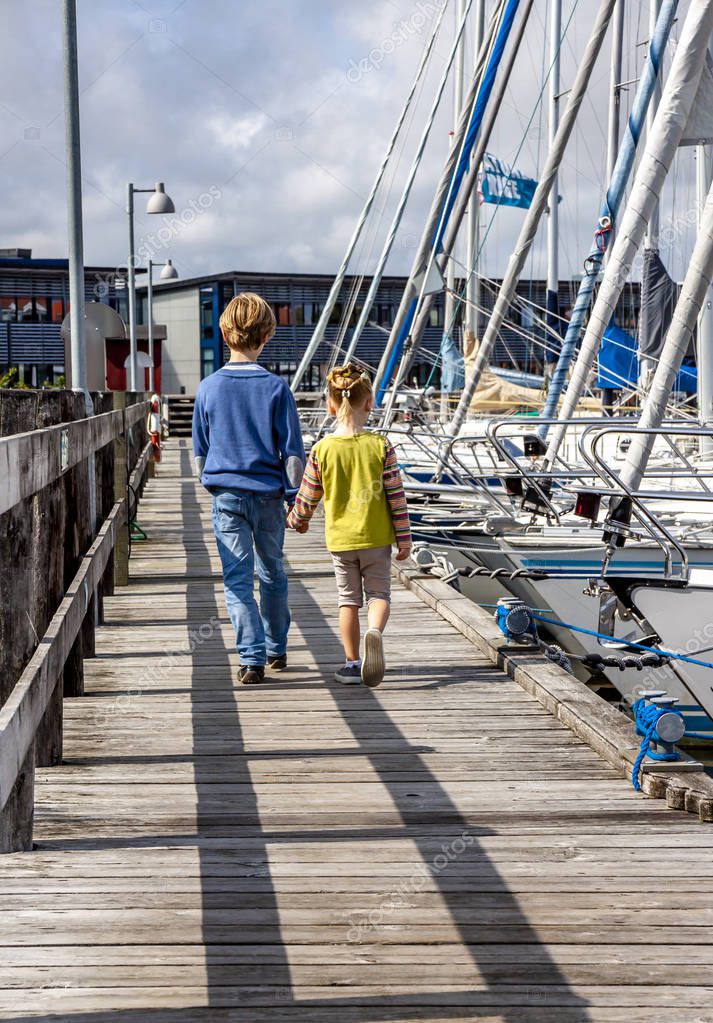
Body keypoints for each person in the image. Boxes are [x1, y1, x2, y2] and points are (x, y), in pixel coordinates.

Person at [192, 292, 305, 685]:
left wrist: (212, 483)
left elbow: (200, 451)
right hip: (270, 496)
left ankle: (251, 658)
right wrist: (293, 498)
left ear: (225, 335)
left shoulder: (208, 388)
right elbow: (293, 454)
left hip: (227, 496)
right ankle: (276, 648)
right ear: (267, 336)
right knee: (272, 572)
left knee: (236, 579)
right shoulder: (277, 389)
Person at [287, 363, 412, 686]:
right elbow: (396, 498)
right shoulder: (381, 446)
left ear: (330, 405)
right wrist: (404, 539)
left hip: (341, 541)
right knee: (379, 594)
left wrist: (297, 520)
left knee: (348, 601)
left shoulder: (322, 449)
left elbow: (308, 495)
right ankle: (375, 632)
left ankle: (353, 663)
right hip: (377, 538)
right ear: (369, 403)